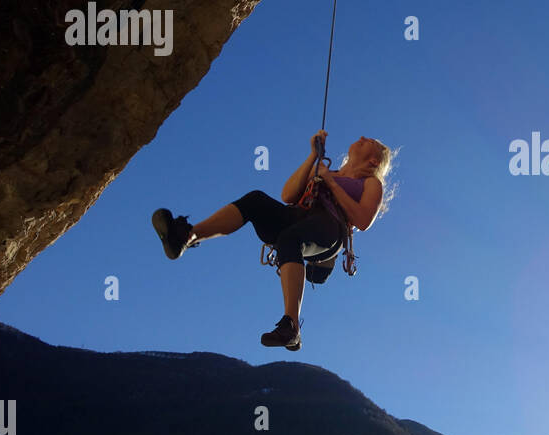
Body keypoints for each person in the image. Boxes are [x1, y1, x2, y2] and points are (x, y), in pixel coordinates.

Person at [152, 130, 393, 350]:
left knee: (291, 238)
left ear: (374, 161)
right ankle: (187, 236)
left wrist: (329, 183)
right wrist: (312, 158)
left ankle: (292, 326)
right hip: (300, 216)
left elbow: (362, 220)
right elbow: (288, 194)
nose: (362, 137)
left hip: (330, 228)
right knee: (256, 200)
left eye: (369, 142)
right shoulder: (325, 170)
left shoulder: (370, 183)